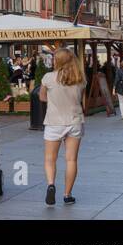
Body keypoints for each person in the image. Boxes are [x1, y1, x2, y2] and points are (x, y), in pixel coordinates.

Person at [40, 48, 86, 205]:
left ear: (57, 60)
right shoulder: (80, 78)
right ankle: (67, 194)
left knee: (50, 158)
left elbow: (42, 97)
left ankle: (51, 184)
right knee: (71, 159)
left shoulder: (48, 77)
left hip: (54, 122)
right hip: (75, 121)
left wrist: (54, 100)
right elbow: (80, 98)